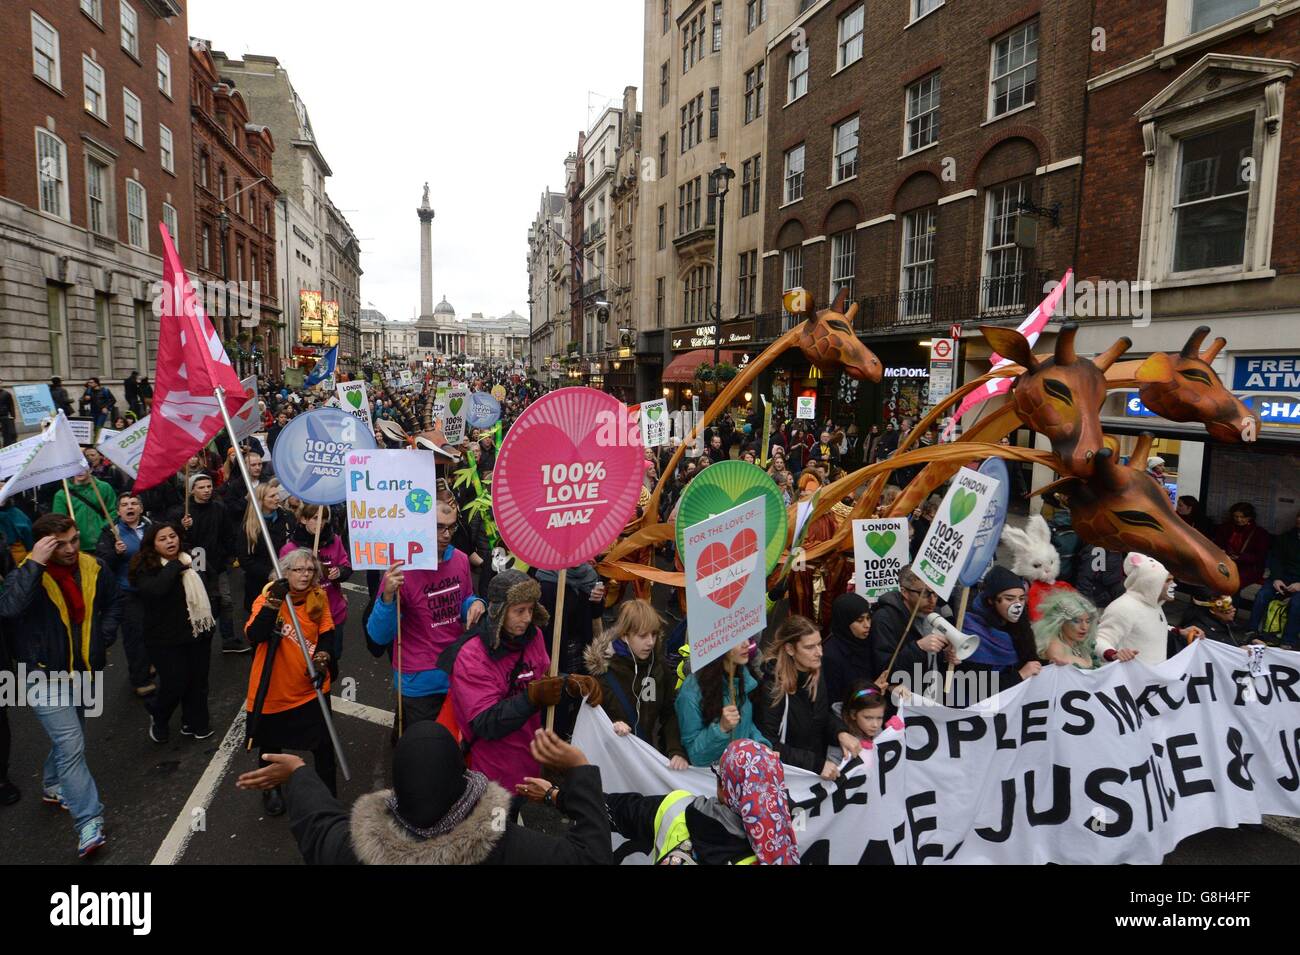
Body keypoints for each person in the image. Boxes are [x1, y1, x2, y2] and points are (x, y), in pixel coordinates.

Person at [237, 725, 611, 865]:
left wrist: (300, 775)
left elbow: (319, 824)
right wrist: (578, 770)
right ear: (461, 780)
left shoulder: (357, 847)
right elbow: (590, 857)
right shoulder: (503, 846)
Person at [0, 514, 121, 858]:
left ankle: (53, 785)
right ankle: (89, 821)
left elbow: (113, 603)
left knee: (72, 734)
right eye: (60, 543)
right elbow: (8, 609)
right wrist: (34, 564)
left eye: (73, 539)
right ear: (43, 545)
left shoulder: (94, 566)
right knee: (71, 743)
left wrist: (103, 635)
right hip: (42, 676)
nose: (70, 548)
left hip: (83, 668)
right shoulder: (26, 574)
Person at [446, 569, 599, 792]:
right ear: (498, 611)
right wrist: (531, 698)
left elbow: (544, 678)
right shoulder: (472, 656)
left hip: (528, 760)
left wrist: (571, 684)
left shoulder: (533, 636)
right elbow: (485, 724)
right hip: (490, 775)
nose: (528, 618)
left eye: (530, 609)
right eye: (519, 611)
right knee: (495, 827)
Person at [367, 500, 485, 735]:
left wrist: (476, 604)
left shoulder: (460, 559)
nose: (447, 534)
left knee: (453, 746)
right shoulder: (402, 570)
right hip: (419, 681)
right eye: (439, 527)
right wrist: (388, 596)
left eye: (451, 527)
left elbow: (465, 598)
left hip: (456, 671)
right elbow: (379, 635)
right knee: (423, 751)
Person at [601, 738, 800, 865]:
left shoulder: (675, 806)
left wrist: (576, 775)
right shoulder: (780, 855)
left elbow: (610, 810)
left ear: (724, 787)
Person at [244, 549, 338, 816]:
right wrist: (274, 602)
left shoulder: (318, 597)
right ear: (285, 572)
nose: (305, 575)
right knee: (270, 744)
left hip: (310, 688)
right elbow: (255, 634)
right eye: (298, 570)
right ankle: (271, 788)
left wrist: (322, 659)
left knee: (323, 744)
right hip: (274, 687)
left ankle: (328, 796)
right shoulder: (268, 596)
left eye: (310, 570)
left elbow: (327, 633)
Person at [130, 523, 214, 742]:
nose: (170, 541)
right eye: (163, 538)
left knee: (198, 681)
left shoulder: (193, 556)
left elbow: (207, 580)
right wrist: (174, 566)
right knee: (176, 682)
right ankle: (158, 714)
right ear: (152, 543)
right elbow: (155, 591)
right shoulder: (145, 566)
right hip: (164, 638)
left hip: (197, 633)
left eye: (173, 536)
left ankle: (196, 723)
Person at [584, 599, 688, 768]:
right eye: (642, 636)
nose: (650, 642)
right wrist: (612, 724)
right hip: (611, 762)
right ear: (625, 635)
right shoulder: (603, 673)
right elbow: (591, 720)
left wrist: (675, 751)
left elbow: (669, 714)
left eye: (653, 634)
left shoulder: (659, 668)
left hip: (644, 759)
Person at [756, 616, 861, 779]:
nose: (819, 652)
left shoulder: (815, 672)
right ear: (790, 649)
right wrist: (816, 764)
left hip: (815, 772)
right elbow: (769, 745)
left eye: (819, 644)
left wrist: (840, 732)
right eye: (810, 647)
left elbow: (821, 717)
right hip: (789, 777)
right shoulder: (773, 688)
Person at [170, 472, 242, 653]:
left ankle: (228, 639)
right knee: (200, 601)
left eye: (209, 486)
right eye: (201, 487)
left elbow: (228, 533)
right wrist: (182, 527)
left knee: (225, 600)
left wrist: (229, 554)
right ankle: (199, 636)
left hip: (217, 562)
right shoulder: (183, 512)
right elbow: (176, 539)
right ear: (192, 490)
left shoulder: (219, 508)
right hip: (196, 562)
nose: (207, 490)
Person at [94, 493, 155, 697]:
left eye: (134, 503)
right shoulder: (110, 533)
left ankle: (149, 662)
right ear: (118, 511)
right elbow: (101, 564)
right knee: (134, 635)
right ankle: (140, 679)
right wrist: (114, 553)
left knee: (153, 628)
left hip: (152, 589)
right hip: (127, 592)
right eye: (124, 505)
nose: (129, 507)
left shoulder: (151, 527)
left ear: (140, 508)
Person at [1095, 554, 1204, 665]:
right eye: (1168, 581)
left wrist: (1179, 631)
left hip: (1152, 679)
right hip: (1130, 679)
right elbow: (1098, 639)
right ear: (1151, 583)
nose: (1174, 585)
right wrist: (1113, 654)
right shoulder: (1123, 607)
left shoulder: (1153, 605)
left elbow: (1150, 627)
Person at [675, 639, 768, 766]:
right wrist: (721, 728)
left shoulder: (744, 679)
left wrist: (762, 747)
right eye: (737, 639)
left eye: (747, 637)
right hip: (708, 780)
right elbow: (695, 756)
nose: (747, 644)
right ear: (718, 643)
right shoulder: (691, 691)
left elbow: (746, 726)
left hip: (739, 776)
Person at [956, 566, 1043, 699]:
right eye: (1009, 599)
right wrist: (1020, 675)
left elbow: (1030, 659)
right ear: (991, 600)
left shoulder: (1021, 625)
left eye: (1021, 598)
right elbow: (974, 688)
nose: (1017, 605)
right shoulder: (970, 629)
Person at [281, 504, 351, 661]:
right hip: (304, 617)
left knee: (332, 658)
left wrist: (339, 572)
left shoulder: (335, 541)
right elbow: (282, 581)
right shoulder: (290, 549)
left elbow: (346, 566)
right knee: (304, 662)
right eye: (315, 518)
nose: (320, 523)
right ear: (304, 520)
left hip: (333, 612)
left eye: (324, 519)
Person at [867, 566, 945, 687]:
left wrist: (946, 655)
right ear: (905, 592)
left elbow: (935, 659)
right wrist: (918, 647)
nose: (932, 600)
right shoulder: (884, 619)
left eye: (936, 592)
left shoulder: (936, 614)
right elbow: (885, 672)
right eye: (924, 593)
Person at [238, 480, 289, 616]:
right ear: (260, 500)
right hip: (260, 585)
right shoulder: (249, 527)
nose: (277, 498)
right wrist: (271, 573)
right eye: (272, 496)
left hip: (286, 581)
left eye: (277, 495)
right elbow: (245, 560)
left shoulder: (287, 517)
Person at [1248, 511, 1300, 647]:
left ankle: (1289, 640)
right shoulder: (1286, 537)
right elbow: (1275, 559)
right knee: (1262, 595)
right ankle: (1252, 631)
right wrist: (1276, 578)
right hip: (1283, 577)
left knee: (1297, 604)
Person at [823, 592, 874, 703]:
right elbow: (835, 702)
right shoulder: (831, 656)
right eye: (860, 620)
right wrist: (873, 690)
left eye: (868, 618)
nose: (867, 625)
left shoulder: (869, 641)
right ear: (845, 622)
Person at [1033, 589, 1101, 669]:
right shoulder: (1054, 648)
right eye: (1076, 621)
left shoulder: (1081, 643)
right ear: (1061, 622)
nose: (1084, 627)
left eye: (1088, 621)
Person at [53, 468, 118, 551]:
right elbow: (59, 521)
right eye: (76, 468)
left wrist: (103, 528)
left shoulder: (105, 487)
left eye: (83, 468)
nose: (79, 471)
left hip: (104, 542)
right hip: (77, 545)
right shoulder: (61, 495)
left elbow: (113, 512)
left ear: (90, 469)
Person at [1214, 502, 1270, 595]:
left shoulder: (1259, 533)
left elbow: (1260, 557)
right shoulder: (1225, 528)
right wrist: (1221, 551)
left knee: (1233, 583)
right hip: (1226, 562)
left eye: (1243, 517)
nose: (1239, 520)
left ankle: (1230, 608)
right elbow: (1218, 544)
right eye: (1236, 516)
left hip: (1248, 568)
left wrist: (1240, 558)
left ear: (1250, 517)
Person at [0, 383, 15, 447]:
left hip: (4, 416)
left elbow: (11, 405)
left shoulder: (6, 394)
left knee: (7, 434)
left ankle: (7, 446)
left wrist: (13, 416)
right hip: (4, 416)